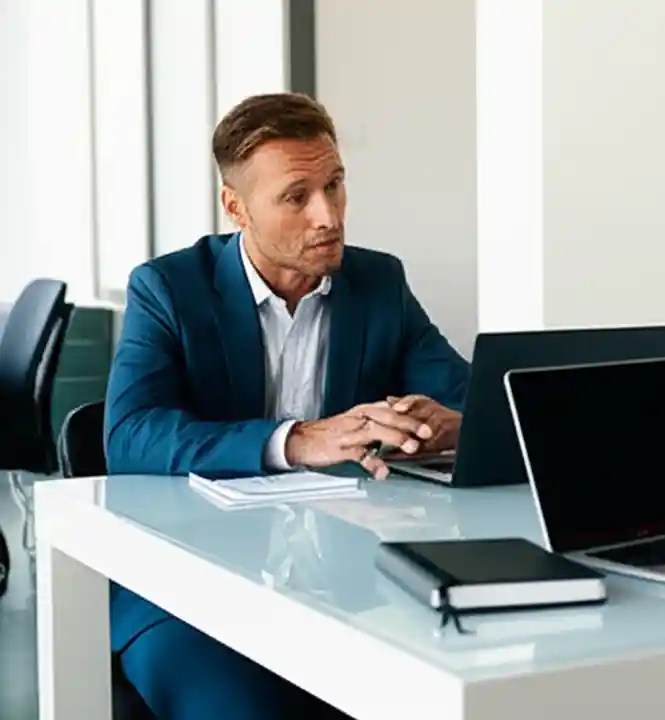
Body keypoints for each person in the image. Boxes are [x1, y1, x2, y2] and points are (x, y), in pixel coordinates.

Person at [105, 93, 471, 718]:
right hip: (189, 583)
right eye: (296, 196)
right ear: (235, 206)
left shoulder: (378, 284)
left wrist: (450, 424)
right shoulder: (168, 287)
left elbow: (467, 399)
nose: (328, 215)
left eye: (335, 185)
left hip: (353, 579)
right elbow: (130, 433)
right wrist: (298, 439)